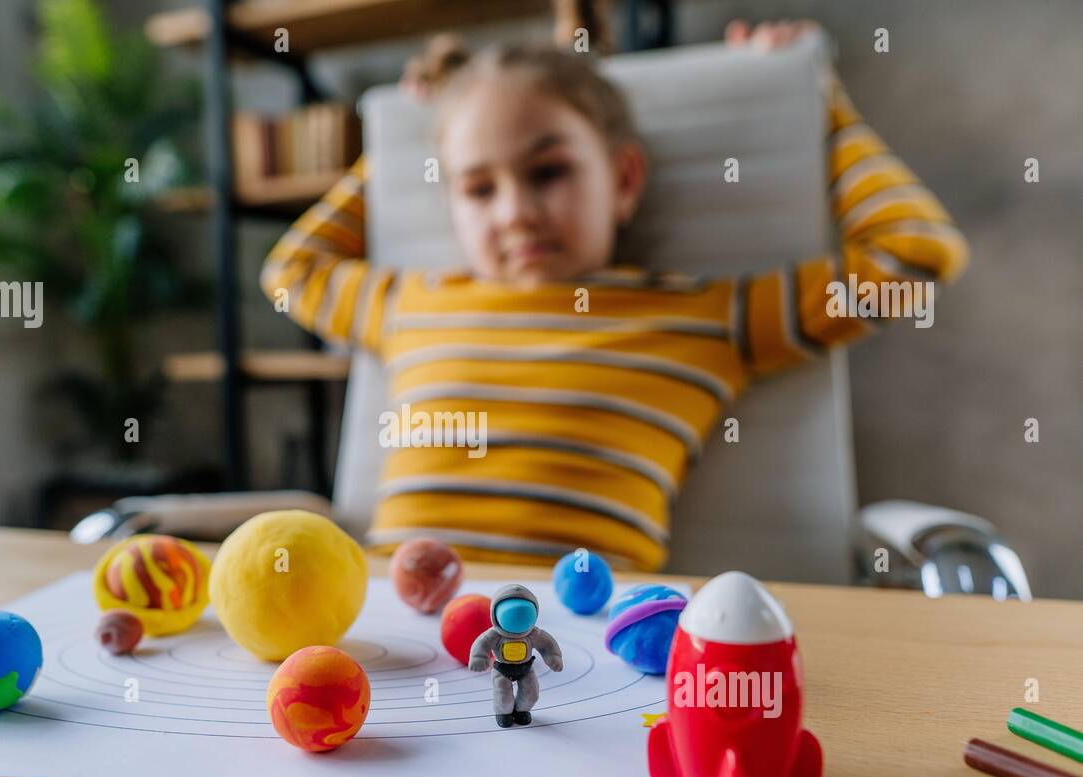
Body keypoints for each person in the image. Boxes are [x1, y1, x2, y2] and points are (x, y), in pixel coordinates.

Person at [259, 20, 968, 572]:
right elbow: (289, 272)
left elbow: (913, 258)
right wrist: (393, 150)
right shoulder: (408, 301)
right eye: (478, 187)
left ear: (625, 180)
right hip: (399, 643)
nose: (515, 213)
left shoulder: (708, 318)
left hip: (587, 660)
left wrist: (822, 104)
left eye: (548, 172)